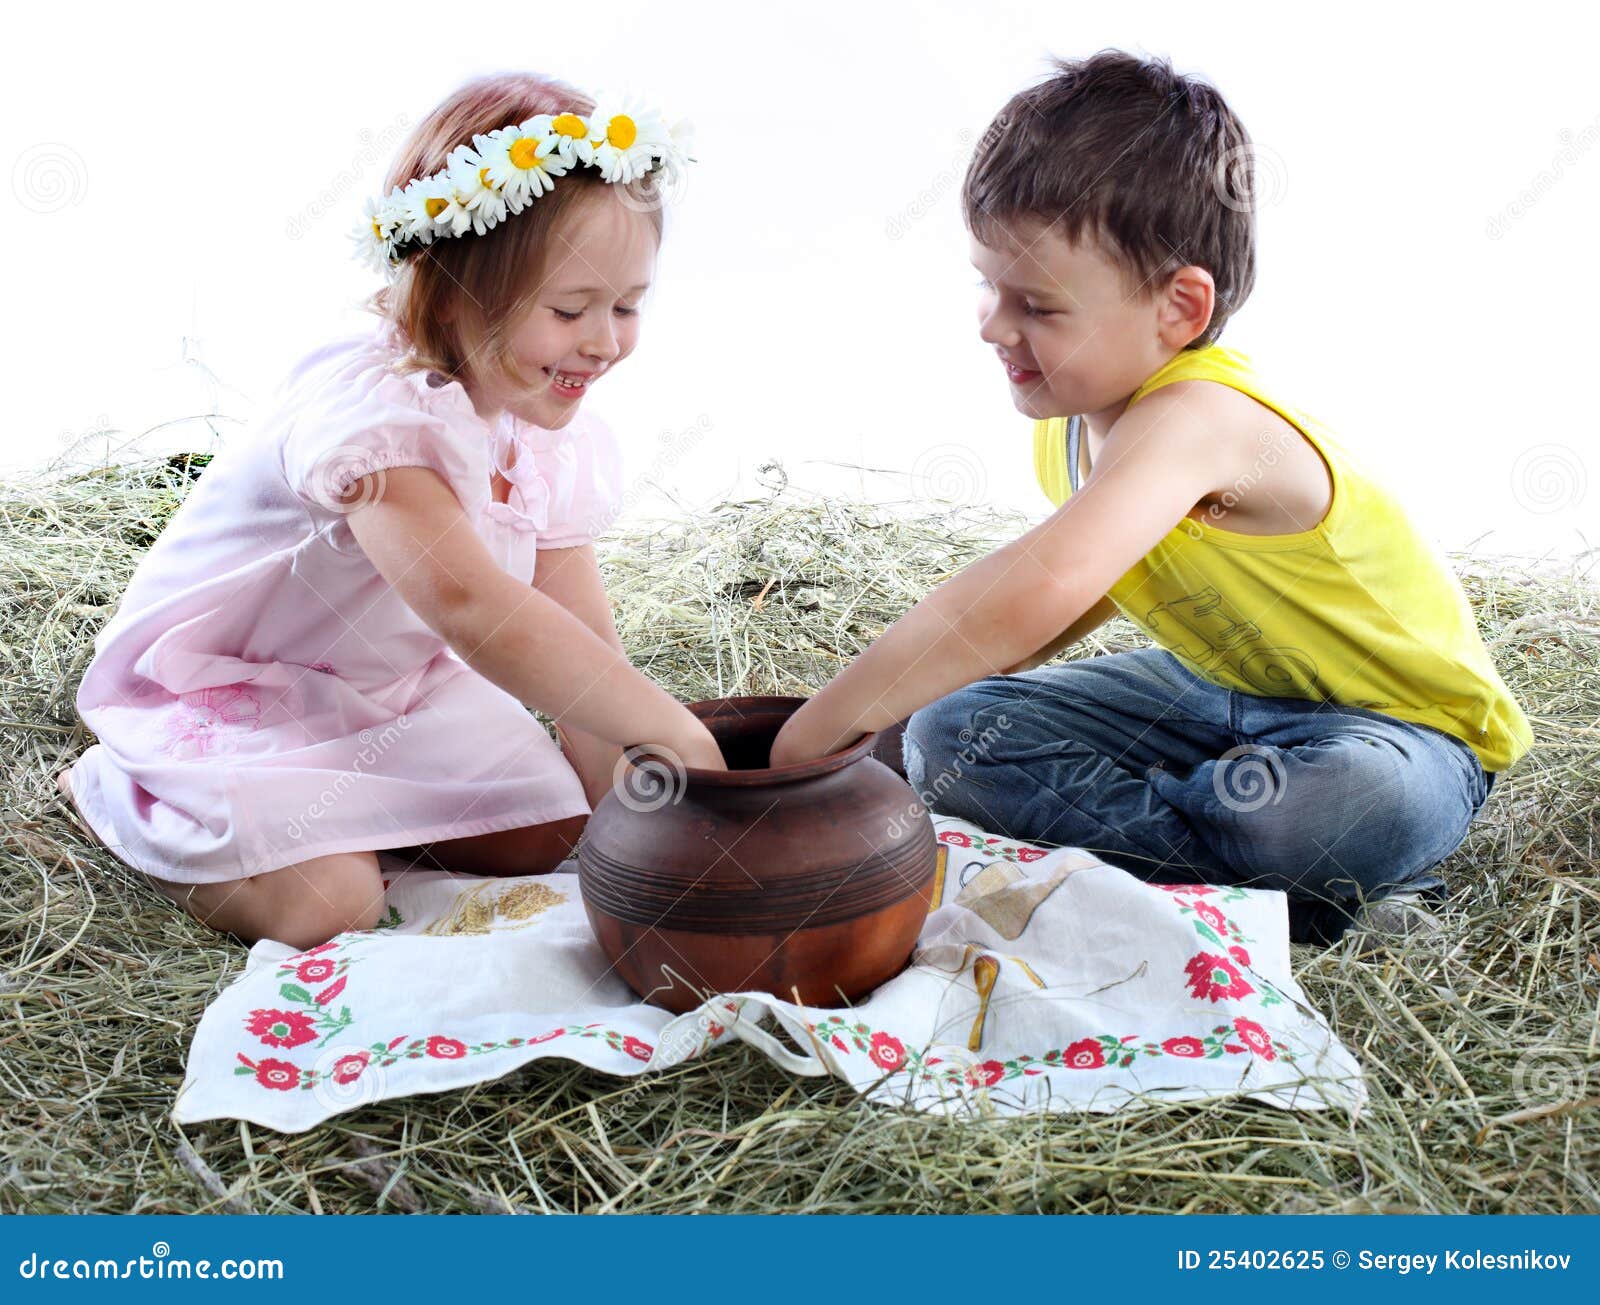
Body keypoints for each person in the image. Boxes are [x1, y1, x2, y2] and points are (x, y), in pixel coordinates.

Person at [770, 49, 1531, 945]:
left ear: (1179, 308)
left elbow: (1034, 593)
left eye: (1037, 305)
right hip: (1216, 699)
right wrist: (882, 730)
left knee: (1322, 812)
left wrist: (812, 733)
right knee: (948, 735)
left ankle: (1299, 863)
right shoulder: (1077, 418)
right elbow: (1056, 619)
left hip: (1396, 734)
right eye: (986, 283)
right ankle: (1271, 880)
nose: (992, 325)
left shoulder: (1202, 419)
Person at [56, 72, 725, 950]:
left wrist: (653, 819)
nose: (604, 342)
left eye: (628, 306)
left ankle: (341, 814)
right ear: (451, 294)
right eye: (570, 310)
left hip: (381, 693)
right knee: (330, 905)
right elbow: (473, 608)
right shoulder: (377, 418)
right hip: (231, 686)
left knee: (549, 830)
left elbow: (585, 649)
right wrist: (673, 729)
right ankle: (122, 793)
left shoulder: (542, 434)